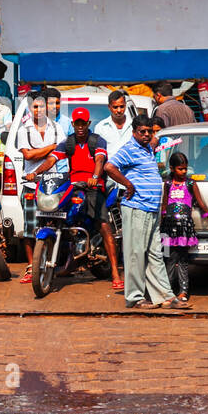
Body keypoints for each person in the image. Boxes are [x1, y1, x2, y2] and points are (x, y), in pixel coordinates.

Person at [26, 107, 123, 291]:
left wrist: (95, 176)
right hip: (74, 186)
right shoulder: (67, 143)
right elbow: (51, 160)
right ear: (73, 124)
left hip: (94, 186)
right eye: (77, 123)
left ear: (88, 123)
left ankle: (115, 273)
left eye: (83, 123)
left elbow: (100, 160)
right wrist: (35, 173)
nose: (80, 126)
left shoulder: (96, 141)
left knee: (103, 225)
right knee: (60, 215)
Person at [104, 114, 185, 310]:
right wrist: (128, 184)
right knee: (135, 253)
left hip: (151, 208)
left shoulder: (147, 147)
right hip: (137, 207)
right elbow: (109, 166)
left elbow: (156, 138)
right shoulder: (130, 149)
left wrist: (157, 133)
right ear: (134, 132)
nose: (147, 134)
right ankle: (134, 297)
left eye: (149, 131)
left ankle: (165, 296)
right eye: (142, 132)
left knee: (155, 253)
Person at [12, 93, 65, 280]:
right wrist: (51, 147)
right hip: (30, 186)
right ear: (29, 109)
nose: (39, 110)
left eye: (41, 106)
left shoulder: (56, 127)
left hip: (52, 184)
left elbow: (61, 152)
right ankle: (30, 267)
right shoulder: (23, 130)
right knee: (29, 228)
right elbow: (28, 156)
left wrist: (46, 151)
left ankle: (51, 264)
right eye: (35, 107)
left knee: (53, 225)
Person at [160, 152, 208, 305]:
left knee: (182, 260)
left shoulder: (190, 184)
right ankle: (167, 292)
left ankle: (183, 291)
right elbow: (164, 206)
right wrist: (160, 225)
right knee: (168, 259)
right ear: (172, 168)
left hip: (184, 230)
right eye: (180, 169)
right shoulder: (167, 184)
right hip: (168, 229)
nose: (183, 172)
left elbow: (201, 205)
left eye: (185, 169)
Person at [94, 89, 133, 157]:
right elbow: (98, 154)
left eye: (121, 106)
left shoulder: (134, 125)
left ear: (125, 105)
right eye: (115, 107)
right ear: (109, 107)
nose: (119, 110)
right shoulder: (101, 127)